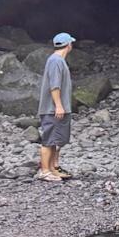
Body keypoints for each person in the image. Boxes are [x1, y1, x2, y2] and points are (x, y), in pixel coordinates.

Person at [36, 33, 77, 183]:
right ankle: (44, 171)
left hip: (57, 108)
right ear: (69, 45)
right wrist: (58, 105)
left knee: (55, 140)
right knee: (48, 140)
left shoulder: (57, 61)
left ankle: (53, 168)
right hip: (52, 109)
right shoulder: (56, 61)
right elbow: (55, 85)